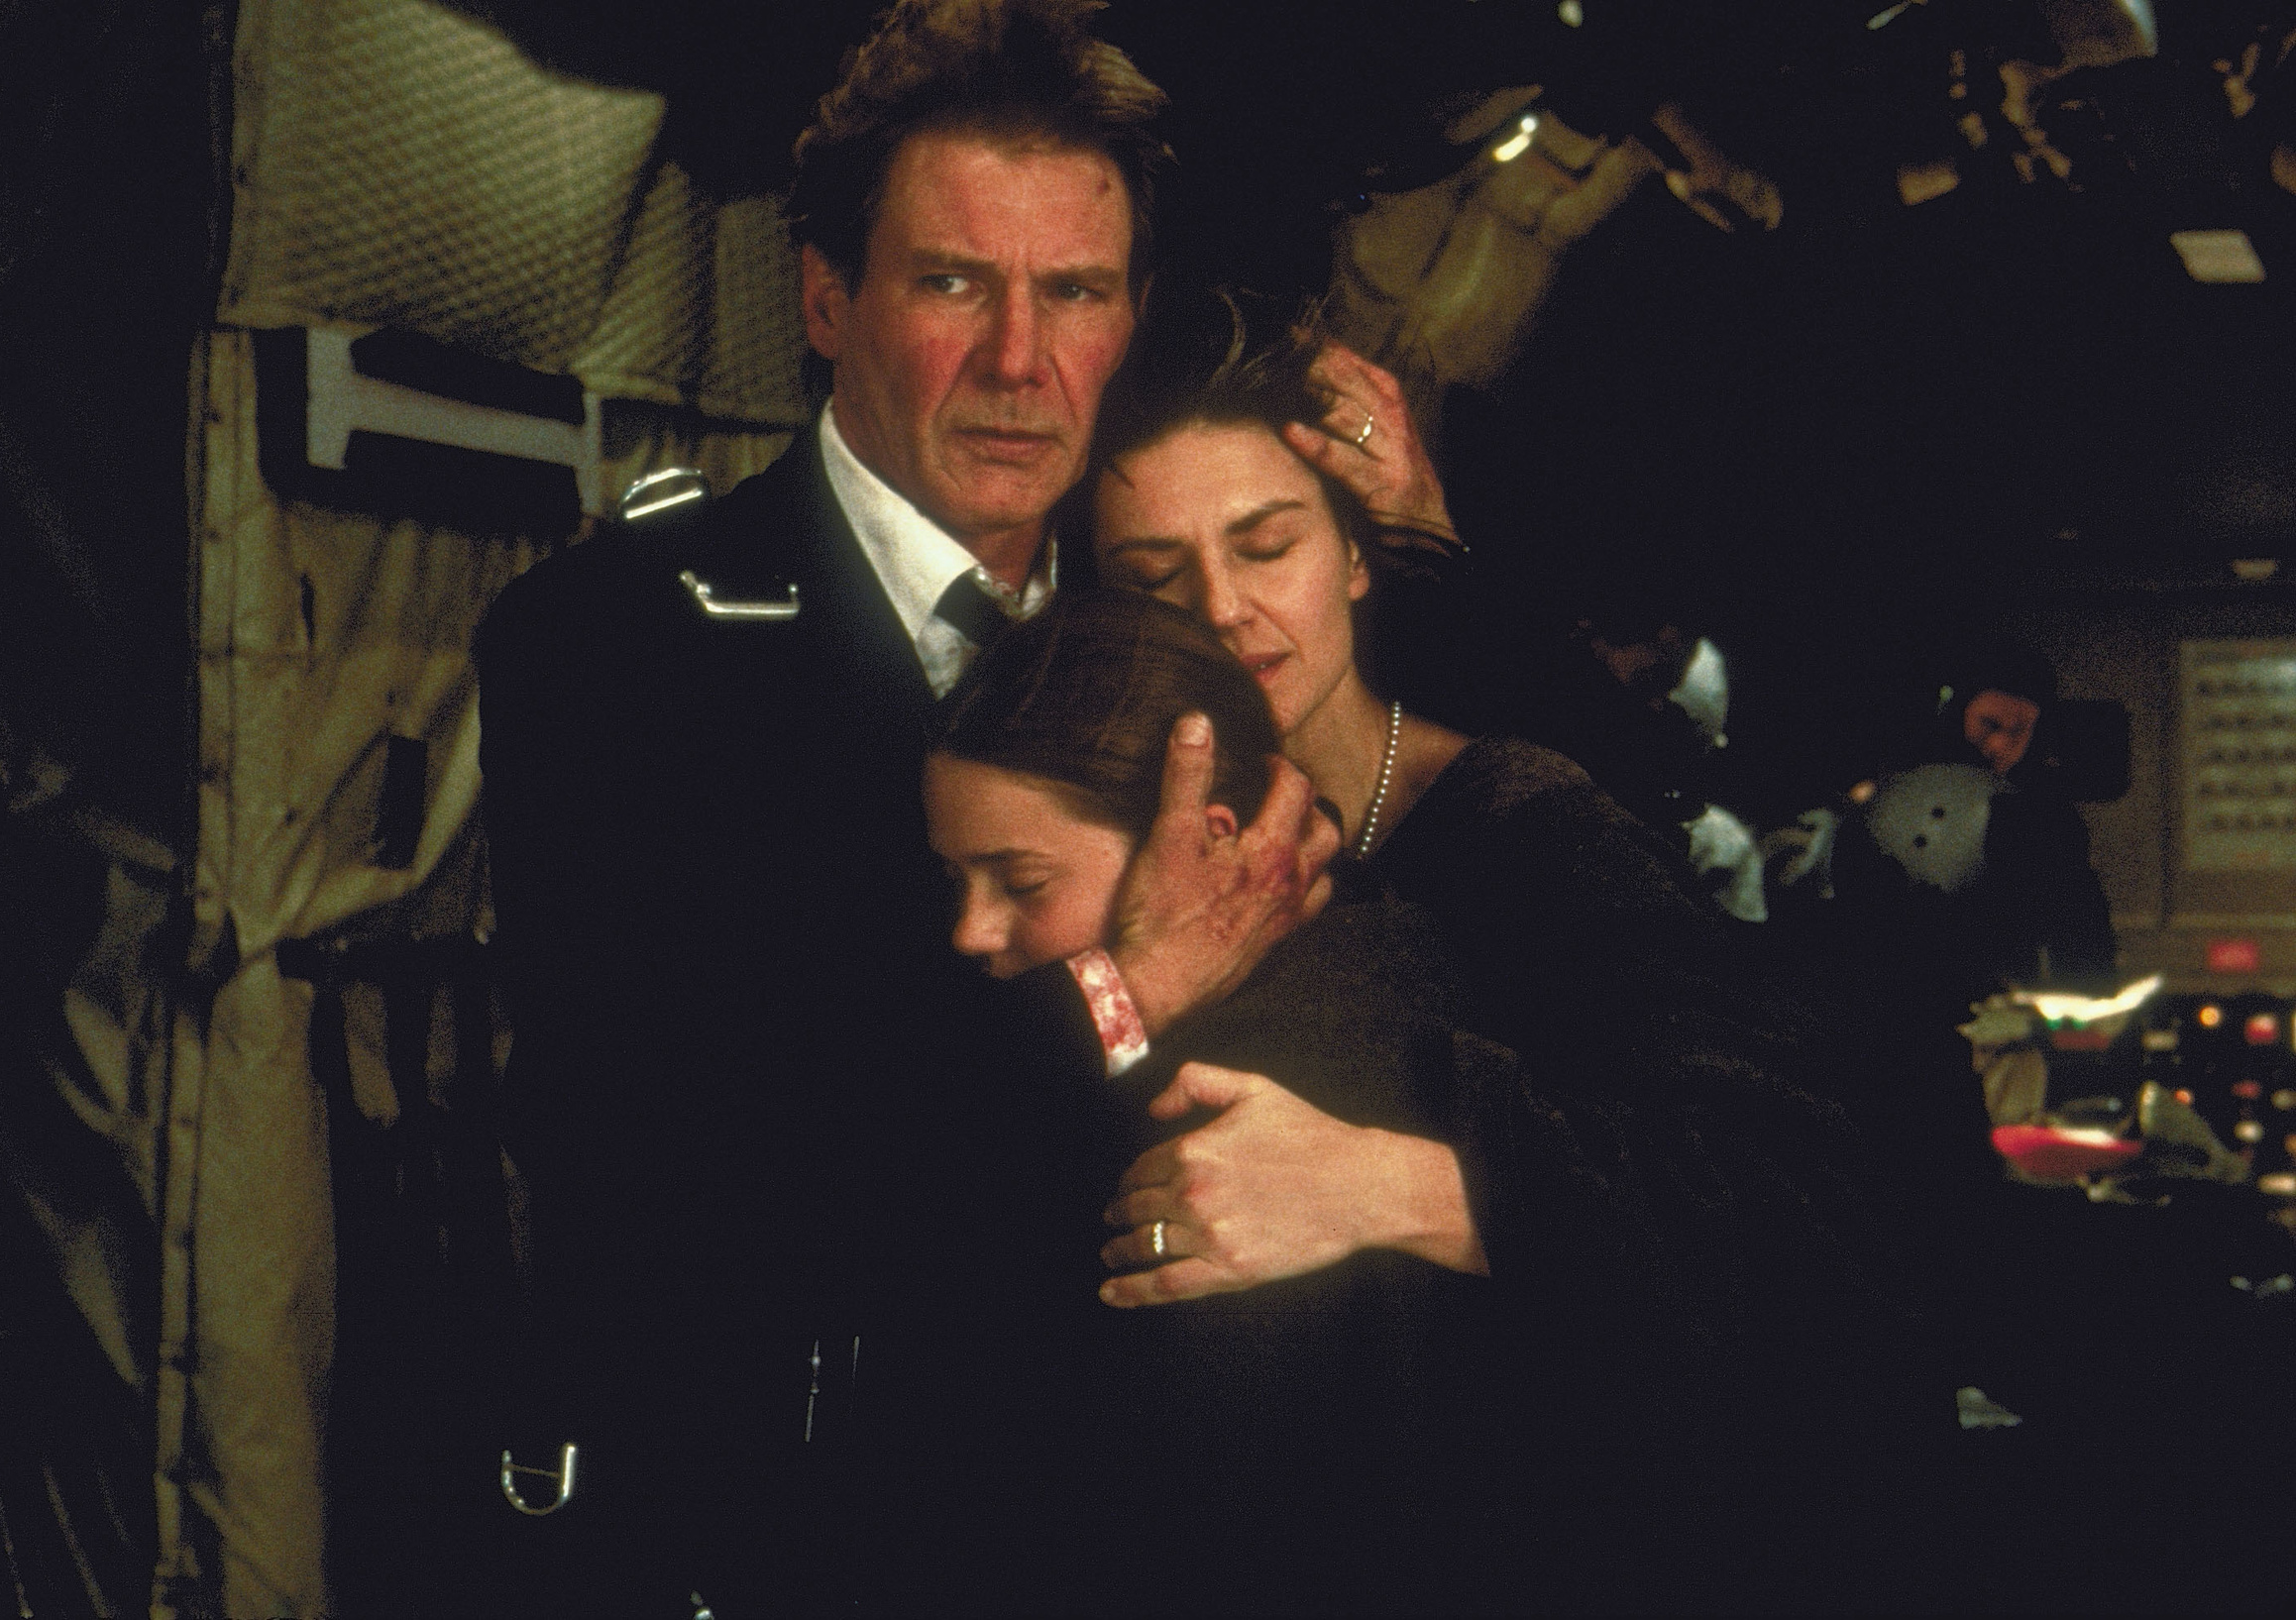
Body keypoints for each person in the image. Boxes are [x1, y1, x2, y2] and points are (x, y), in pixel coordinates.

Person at [475, 8, 1335, 1611]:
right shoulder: (613, 646)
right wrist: (1127, 987)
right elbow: (697, 1172)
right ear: (826, 299)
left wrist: (1413, 542)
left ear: (1129, 317)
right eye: (951, 284)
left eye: (1073, 293)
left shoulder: (1172, 634)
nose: (1019, 361)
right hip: (797, 1536)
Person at [1081, 293, 1938, 1608]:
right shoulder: (1114, 847)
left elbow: (1797, 1219)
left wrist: (1390, 1184)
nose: (1222, 610)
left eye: (1266, 544)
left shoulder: (1526, 819)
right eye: (1154, 580)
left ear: (1356, 556)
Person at [926, 588, 1512, 1614]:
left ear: (1208, 839)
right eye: (954, 882)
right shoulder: (1371, 955)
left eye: (1020, 882)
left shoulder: (1243, 1095)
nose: (968, 933)